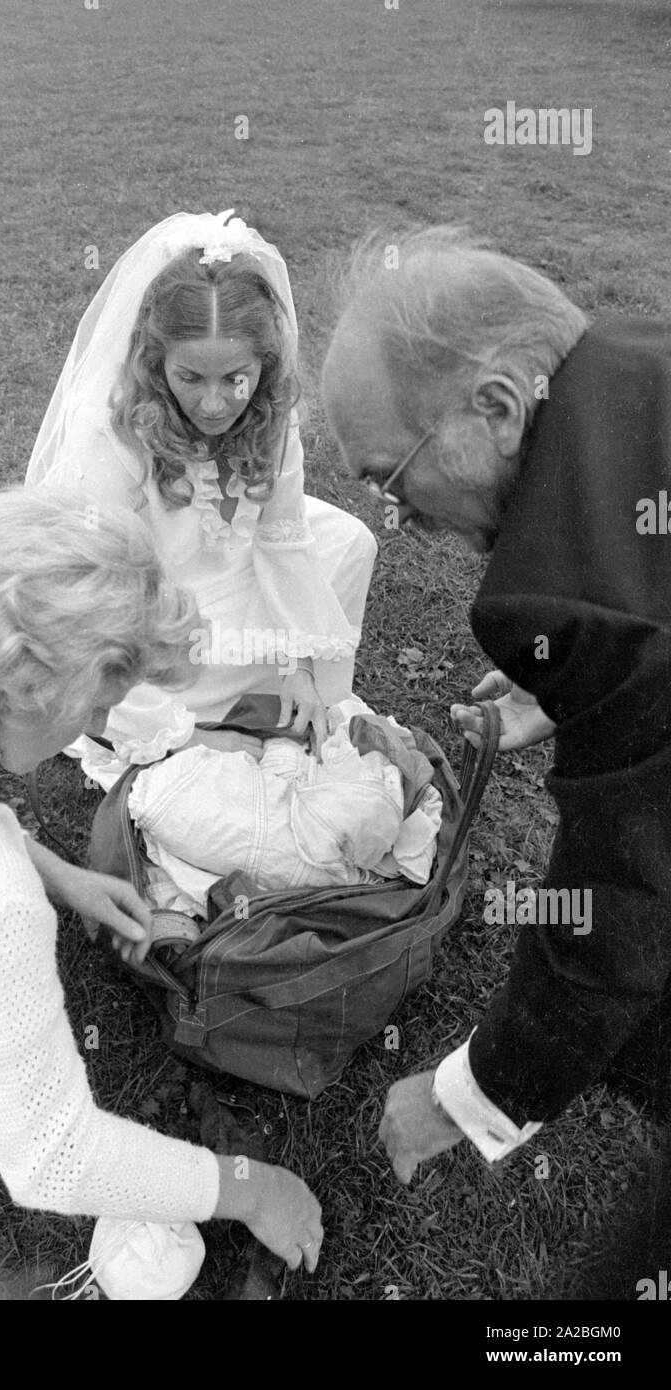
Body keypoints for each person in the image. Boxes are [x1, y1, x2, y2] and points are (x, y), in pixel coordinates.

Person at [0, 489, 322, 1295]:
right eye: (98, 703)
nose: (100, 725)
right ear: (34, 692)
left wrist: (66, 877)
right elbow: (53, 1154)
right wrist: (251, 1188)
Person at [321, 225, 671, 1179]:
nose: (407, 523)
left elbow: (623, 911)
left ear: (499, 406)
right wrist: (592, 698)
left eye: (391, 482)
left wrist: (467, 1092)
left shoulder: (566, 600)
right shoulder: (637, 355)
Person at [26, 209, 377, 787]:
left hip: (230, 561)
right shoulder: (113, 436)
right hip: (147, 593)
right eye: (190, 378)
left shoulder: (271, 416)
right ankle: (188, 726)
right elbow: (97, 596)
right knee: (149, 654)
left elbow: (281, 538)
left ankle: (289, 697)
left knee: (346, 540)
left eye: (235, 378)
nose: (215, 404)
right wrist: (188, 736)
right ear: (155, 362)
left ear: (265, 365)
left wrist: (300, 664)